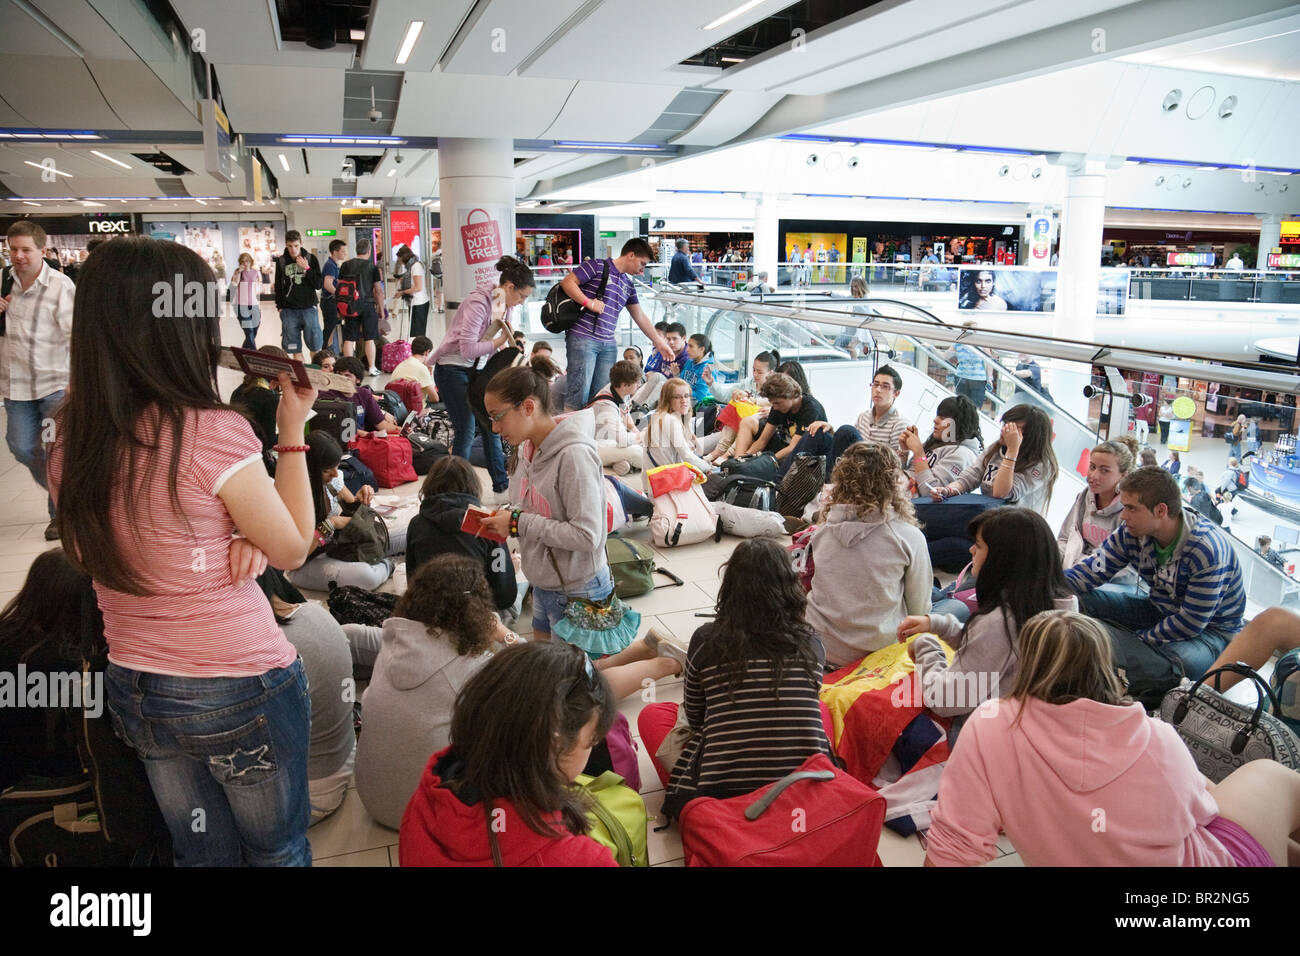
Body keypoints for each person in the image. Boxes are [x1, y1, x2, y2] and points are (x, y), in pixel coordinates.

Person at [47, 236, 321, 866]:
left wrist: (224, 534)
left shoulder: (70, 438)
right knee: (275, 850)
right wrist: (292, 430)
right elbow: (295, 548)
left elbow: (98, 555)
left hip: (138, 686)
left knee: (200, 854)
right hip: (238, 685)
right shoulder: (209, 433)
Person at [926, 609, 1300, 867]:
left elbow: (952, 849)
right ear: (1107, 668)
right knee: (1272, 774)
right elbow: (1202, 815)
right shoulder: (1156, 738)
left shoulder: (990, 725)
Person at [637, 538, 833, 816]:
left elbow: (695, 718)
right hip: (804, 787)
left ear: (730, 587)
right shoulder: (812, 643)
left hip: (721, 795)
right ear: (791, 587)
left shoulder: (706, 640)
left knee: (653, 716)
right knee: (820, 709)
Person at [399, 640, 620, 867]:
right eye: (592, 740)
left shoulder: (427, 799)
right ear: (556, 744)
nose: (593, 747)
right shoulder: (585, 860)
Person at [1065, 466, 1244, 705]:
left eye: (1131, 508)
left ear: (1161, 510)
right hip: (1159, 610)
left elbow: (1191, 622)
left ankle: (1121, 664)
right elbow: (1091, 571)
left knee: (1179, 663)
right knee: (1081, 601)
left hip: (1210, 634)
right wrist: (1049, 587)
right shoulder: (1131, 532)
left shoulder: (1206, 549)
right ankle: (1120, 661)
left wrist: (1141, 640)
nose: (1123, 515)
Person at [899, 508, 1077, 744]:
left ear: (1003, 560)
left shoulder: (1000, 621)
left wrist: (926, 648)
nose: (971, 550)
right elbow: (992, 653)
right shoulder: (1063, 605)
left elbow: (945, 701)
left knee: (890, 713)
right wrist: (938, 625)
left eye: (979, 546)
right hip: (1031, 730)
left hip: (984, 738)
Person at [355, 555, 504, 830]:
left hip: (373, 800)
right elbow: (537, 671)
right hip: (426, 816)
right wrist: (506, 635)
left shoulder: (395, 639)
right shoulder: (475, 668)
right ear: (477, 609)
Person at [805, 442, 931, 667]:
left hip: (818, 643)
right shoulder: (907, 537)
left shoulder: (823, 530)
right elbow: (919, 611)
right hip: (873, 653)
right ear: (894, 482)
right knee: (953, 607)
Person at [429, 256, 533, 502]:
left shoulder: (499, 301)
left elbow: (488, 344)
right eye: (522, 296)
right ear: (509, 288)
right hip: (452, 369)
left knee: (491, 428)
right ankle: (457, 491)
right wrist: (497, 343)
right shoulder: (478, 303)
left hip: (475, 371)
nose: (521, 302)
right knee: (466, 430)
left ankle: (501, 488)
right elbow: (467, 349)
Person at [1, 221, 75, 541]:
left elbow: (76, 335)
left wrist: (76, 381)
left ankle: (60, 514)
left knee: (56, 449)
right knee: (21, 446)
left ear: (42, 251)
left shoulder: (61, 286)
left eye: (25, 250)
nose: (18, 256)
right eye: (12, 249)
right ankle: (73, 497)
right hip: (14, 385)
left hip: (54, 383)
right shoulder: (2, 282)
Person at [920, 404, 1060, 572]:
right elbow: (968, 478)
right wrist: (948, 490)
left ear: (1031, 435)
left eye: (1015, 428)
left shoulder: (1042, 464)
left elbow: (1002, 493)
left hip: (1013, 535)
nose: (1006, 431)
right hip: (989, 525)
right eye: (1006, 424)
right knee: (925, 534)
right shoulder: (995, 449)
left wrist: (1012, 452)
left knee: (948, 546)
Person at [557, 238, 673, 411]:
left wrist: (659, 342)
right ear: (631, 255)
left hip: (608, 344)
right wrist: (589, 303)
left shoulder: (628, 284)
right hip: (583, 338)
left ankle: (593, 435)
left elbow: (639, 315)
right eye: (642, 264)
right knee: (578, 394)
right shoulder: (596, 266)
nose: (642, 271)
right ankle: (572, 435)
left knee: (601, 396)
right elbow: (567, 282)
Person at [285, 431, 408, 592]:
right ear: (311, 469)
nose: (335, 474)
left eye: (336, 467)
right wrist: (331, 524)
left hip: (342, 545)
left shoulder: (332, 480)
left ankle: (381, 559)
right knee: (367, 577)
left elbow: (352, 508)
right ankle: (390, 563)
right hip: (310, 561)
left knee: (409, 533)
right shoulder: (295, 495)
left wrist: (362, 496)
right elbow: (295, 558)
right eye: (328, 471)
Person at [403, 455, 518, 615]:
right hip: (477, 619)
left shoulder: (417, 524)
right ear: (473, 486)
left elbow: (412, 581)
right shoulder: (486, 524)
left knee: (399, 571)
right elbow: (505, 597)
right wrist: (510, 568)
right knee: (516, 580)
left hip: (431, 614)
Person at [813, 365, 908, 476]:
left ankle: (825, 481)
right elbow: (848, 444)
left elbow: (896, 465)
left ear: (896, 394)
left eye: (885, 386)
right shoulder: (864, 416)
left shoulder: (899, 423)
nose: (878, 390)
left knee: (847, 430)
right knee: (818, 434)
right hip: (855, 465)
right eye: (875, 384)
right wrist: (831, 430)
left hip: (876, 472)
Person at [1057, 437, 1139, 567]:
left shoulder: (1131, 512)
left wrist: (1079, 565)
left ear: (1123, 475)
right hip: (1074, 572)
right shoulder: (1083, 497)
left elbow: (1128, 569)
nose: (1094, 476)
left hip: (1106, 584)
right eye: (1092, 467)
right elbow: (1064, 539)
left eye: (1104, 470)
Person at [738, 371, 828, 477]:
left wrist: (766, 462)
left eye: (777, 403)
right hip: (784, 445)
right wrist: (743, 460)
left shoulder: (811, 409)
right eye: (772, 403)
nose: (774, 407)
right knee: (747, 423)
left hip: (804, 454)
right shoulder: (778, 407)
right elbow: (762, 441)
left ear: (790, 396)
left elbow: (794, 447)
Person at [898, 394, 983, 498]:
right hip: (899, 492)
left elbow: (930, 491)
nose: (935, 420)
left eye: (943, 418)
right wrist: (904, 451)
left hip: (910, 506)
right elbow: (907, 472)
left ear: (958, 425)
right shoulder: (937, 442)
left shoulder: (962, 454)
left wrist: (918, 452)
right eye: (937, 415)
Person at [643, 377, 721, 477]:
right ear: (668, 400)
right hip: (667, 482)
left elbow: (694, 450)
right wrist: (707, 467)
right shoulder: (670, 420)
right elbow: (687, 456)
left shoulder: (661, 415)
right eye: (677, 397)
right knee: (721, 435)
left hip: (657, 479)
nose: (684, 401)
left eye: (686, 396)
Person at [273, 230, 323, 362]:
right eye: (290, 246)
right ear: (286, 245)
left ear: (301, 243)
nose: (293, 249)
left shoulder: (311, 259)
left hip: (308, 308)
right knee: (294, 348)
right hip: (289, 310)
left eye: (296, 246)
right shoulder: (282, 261)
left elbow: (318, 284)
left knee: (315, 345)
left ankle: (315, 376)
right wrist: (280, 307)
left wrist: (307, 268)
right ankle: (302, 378)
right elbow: (278, 285)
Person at [337, 237, 385, 375]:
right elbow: (378, 290)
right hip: (368, 305)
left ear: (356, 250)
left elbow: (341, 287)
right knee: (369, 338)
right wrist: (381, 309)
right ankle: (371, 368)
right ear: (369, 251)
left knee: (349, 338)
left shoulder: (346, 265)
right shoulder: (372, 267)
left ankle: (348, 369)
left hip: (350, 305)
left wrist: (339, 308)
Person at [230, 345, 289, 454]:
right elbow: (268, 441)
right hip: (255, 453)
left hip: (236, 448)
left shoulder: (239, 390)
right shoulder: (269, 397)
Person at [590, 360, 646, 475]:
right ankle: (618, 460)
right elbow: (623, 440)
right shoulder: (606, 407)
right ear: (625, 385)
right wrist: (643, 436)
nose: (639, 385)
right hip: (595, 447)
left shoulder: (616, 389)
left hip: (611, 440)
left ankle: (619, 463)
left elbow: (626, 416)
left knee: (640, 444)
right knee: (639, 453)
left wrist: (636, 432)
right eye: (636, 382)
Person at [334, 356, 401, 435]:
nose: (342, 379)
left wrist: (401, 430)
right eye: (339, 375)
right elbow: (341, 428)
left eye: (347, 376)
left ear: (358, 379)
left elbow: (381, 424)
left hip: (363, 439)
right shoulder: (328, 396)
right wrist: (369, 436)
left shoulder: (364, 394)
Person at [632, 321, 686, 408]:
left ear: (683, 338)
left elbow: (683, 385)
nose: (671, 342)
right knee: (656, 376)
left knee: (661, 384)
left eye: (675, 339)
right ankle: (633, 406)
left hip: (682, 393)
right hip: (664, 385)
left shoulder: (687, 358)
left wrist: (676, 374)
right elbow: (656, 373)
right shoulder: (665, 351)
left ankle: (644, 409)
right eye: (669, 339)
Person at [943, 322, 988, 410]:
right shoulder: (958, 344)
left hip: (978, 380)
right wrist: (931, 347)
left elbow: (989, 361)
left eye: (977, 330)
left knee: (975, 408)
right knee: (960, 407)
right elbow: (945, 356)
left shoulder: (982, 343)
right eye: (973, 329)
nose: (976, 332)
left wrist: (989, 378)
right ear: (965, 330)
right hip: (962, 378)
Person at [389, 335, 439, 406]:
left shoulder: (401, 364)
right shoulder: (422, 368)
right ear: (427, 352)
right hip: (414, 410)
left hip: (397, 407)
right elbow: (435, 398)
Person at [395, 244, 430, 339]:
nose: (399, 261)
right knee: (416, 332)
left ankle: (421, 351)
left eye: (400, 258)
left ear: (404, 257)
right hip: (415, 302)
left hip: (419, 303)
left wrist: (402, 292)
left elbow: (418, 287)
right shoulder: (411, 266)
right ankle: (419, 351)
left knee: (419, 333)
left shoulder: (416, 266)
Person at [319, 239, 348, 355]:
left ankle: (331, 350)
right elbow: (327, 284)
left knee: (333, 327)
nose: (345, 253)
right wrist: (339, 295)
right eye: (342, 251)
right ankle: (325, 352)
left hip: (331, 302)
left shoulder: (334, 265)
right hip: (329, 302)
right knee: (329, 328)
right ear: (335, 252)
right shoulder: (330, 265)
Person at [232, 252, 261, 350]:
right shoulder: (238, 272)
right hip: (241, 304)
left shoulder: (256, 271)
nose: (245, 263)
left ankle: (244, 350)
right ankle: (254, 353)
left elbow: (259, 284)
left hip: (254, 304)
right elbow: (235, 284)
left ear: (250, 261)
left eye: (247, 261)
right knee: (249, 331)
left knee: (255, 329)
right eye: (243, 261)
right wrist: (238, 272)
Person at [679, 333, 716, 406]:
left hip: (700, 406)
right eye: (687, 346)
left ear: (702, 349)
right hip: (686, 398)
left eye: (691, 346)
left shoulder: (708, 368)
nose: (687, 349)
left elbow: (701, 396)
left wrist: (682, 391)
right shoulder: (689, 362)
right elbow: (681, 381)